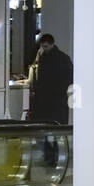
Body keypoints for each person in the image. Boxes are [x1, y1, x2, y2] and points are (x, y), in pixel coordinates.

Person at [30, 33, 73, 164]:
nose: (44, 48)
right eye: (43, 46)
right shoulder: (50, 57)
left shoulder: (50, 58)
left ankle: (52, 157)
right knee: (54, 130)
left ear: (52, 44)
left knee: (50, 130)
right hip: (55, 101)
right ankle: (53, 157)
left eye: (46, 46)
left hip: (51, 101)